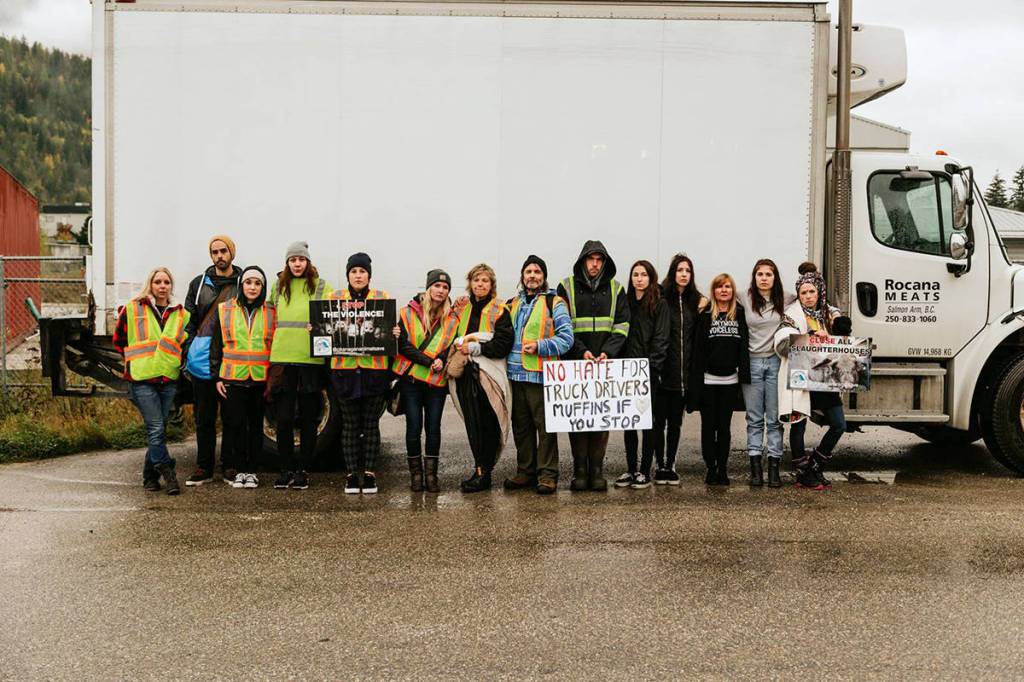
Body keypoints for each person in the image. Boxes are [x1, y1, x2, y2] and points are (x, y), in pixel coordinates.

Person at [557, 241, 630, 491]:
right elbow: (563, 325)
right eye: (591, 259)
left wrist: (608, 352)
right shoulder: (565, 287)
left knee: (601, 417)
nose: (595, 264)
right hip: (576, 364)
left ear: (605, 263)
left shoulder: (617, 289)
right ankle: (579, 470)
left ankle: (597, 470)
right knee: (578, 418)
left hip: (605, 365)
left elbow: (622, 325)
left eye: (599, 260)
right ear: (583, 261)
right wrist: (582, 352)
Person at [113, 267, 190, 495]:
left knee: (159, 429)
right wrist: (134, 361)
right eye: (158, 282)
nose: (162, 286)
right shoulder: (133, 308)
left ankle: (149, 478)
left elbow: (184, 343)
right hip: (142, 379)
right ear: (151, 284)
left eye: (166, 282)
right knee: (156, 428)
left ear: (171, 286)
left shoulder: (181, 314)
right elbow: (119, 340)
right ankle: (168, 472)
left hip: (168, 378)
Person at [774, 263, 850, 491]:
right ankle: (802, 473)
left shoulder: (828, 315)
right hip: (801, 377)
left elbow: (842, 344)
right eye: (803, 292)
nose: (808, 296)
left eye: (811, 291)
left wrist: (838, 331)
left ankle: (814, 466)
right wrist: (809, 335)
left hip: (824, 377)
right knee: (798, 425)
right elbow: (782, 342)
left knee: (839, 424)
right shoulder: (791, 315)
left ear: (819, 292)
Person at [503, 255, 575, 495]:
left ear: (544, 277)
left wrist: (540, 346)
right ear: (522, 276)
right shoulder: (512, 303)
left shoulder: (555, 302)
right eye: (528, 272)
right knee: (521, 428)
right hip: (515, 376)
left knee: (545, 429)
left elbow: (567, 338)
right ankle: (525, 471)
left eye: (537, 272)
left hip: (541, 377)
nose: (532, 276)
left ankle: (547, 475)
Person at [326, 253, 395, 495]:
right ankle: (352, 476)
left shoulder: (382, 298)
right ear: (348, 275)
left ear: (369, 276)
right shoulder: (334, 299)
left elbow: (388, 329)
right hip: (344, 372)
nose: (358, 276)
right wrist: (315, 328)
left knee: (371, 424)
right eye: (354, 271)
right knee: (350, 426)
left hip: (374, 372)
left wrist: (394, 332)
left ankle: (370, 474)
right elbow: (325, 327)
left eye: (362, 271)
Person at [267, 241, 332, 491]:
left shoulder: (322, 286)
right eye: (293, 260)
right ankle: (285, 470)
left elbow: (333, 317)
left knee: (308, 419)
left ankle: (303, 470)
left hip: (310, 361)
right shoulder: (277, 286)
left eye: (301, 259)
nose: (297, 264)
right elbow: (269, 317)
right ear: (287, 263)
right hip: (282, 360)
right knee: (283, 419)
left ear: (308, 261)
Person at [449, 264, 514, 493]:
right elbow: (448, 332)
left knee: (489, 423)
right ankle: (480, 470)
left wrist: (477, 348)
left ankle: (484, 472)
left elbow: (504, 343)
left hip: (488, 375)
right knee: (473, 424)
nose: (480, 284)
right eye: (476, 280)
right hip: (466, 375)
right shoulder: (461, 308)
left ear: (491, 285)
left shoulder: (499, 309)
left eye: (485, 280)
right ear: (470, 283)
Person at [209, 266, 276, 489]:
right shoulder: (226, 309)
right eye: (248, 282)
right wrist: (217, 377)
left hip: (259, 379)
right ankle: (238, 470)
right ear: (241, 285)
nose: (252, 287)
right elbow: (216, 345)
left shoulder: (271, 311)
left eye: (257, 283)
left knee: (256, 427)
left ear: (263, 287)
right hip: (232, 378)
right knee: (235, 426)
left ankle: (252, 471)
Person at [182, 235, 241, 486]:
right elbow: (190, 321)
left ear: (231, 253)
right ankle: (203, 467)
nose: (219, 256)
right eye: (215, 252)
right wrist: (188, 350)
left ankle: (229, 465)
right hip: (202, 360)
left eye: (223, 251)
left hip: (231, 359)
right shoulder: (198, 284)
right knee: (204, 419)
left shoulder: (242, 282)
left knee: (231, 418)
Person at [394, 269, 458, 493]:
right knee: (413, 428)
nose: (441, 290)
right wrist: (429, 361)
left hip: (436, 384)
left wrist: (442, 359)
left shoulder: (453, 318)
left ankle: (431, 476)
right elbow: (402, 345)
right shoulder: (407, 312)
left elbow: (452, 345)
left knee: (433, 428)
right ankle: (416, 475)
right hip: (412, 381)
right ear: (428, 288)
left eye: (445, 287)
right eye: (437, 286)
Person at [689, 273, 750, 486]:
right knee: (708, 427)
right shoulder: (706, 315)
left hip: (729, 382)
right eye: (719, 287)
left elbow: (743, 347)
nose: (724, 290)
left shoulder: (739, 314)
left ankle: (722, 468)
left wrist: (743, 374)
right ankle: (711, 467)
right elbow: (698, 350)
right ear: (713, 291)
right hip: (708, 381)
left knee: (724, 428)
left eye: (727, 287)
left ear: (733, 291)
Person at [615, 260, 669, 490]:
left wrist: (653, 367)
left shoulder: (659, 303)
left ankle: (645, 471)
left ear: (651, 277)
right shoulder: (625, 302)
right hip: (626, 370)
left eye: (644, 274)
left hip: (648, 371)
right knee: (629, 422)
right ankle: (631, 468)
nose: (639, 279)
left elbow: (661, 337)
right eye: (635, 274)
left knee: (647, 422)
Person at [654, 254, 706, 485]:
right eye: (680, 270)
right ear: (672, 272)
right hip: (663, 372)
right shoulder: (662, 298)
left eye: (688, 270)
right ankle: (659, 464)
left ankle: (670, 464)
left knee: (675, 423)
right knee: (658, 423)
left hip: (683, 376)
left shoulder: (696, 301)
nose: (684, 274)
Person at [740, 259, 789, 488]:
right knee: (754, 418)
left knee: (775, 418)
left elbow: (814, 300)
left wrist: (835, 313)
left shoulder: (785, 298)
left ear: (774, 277)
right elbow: (719, 295)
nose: (764, 278)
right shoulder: (744, 297)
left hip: (775, 363)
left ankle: (774, 468)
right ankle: (755, 470)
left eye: (768, 274)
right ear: (754, 277)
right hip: (752, 363)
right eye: (760, 274)